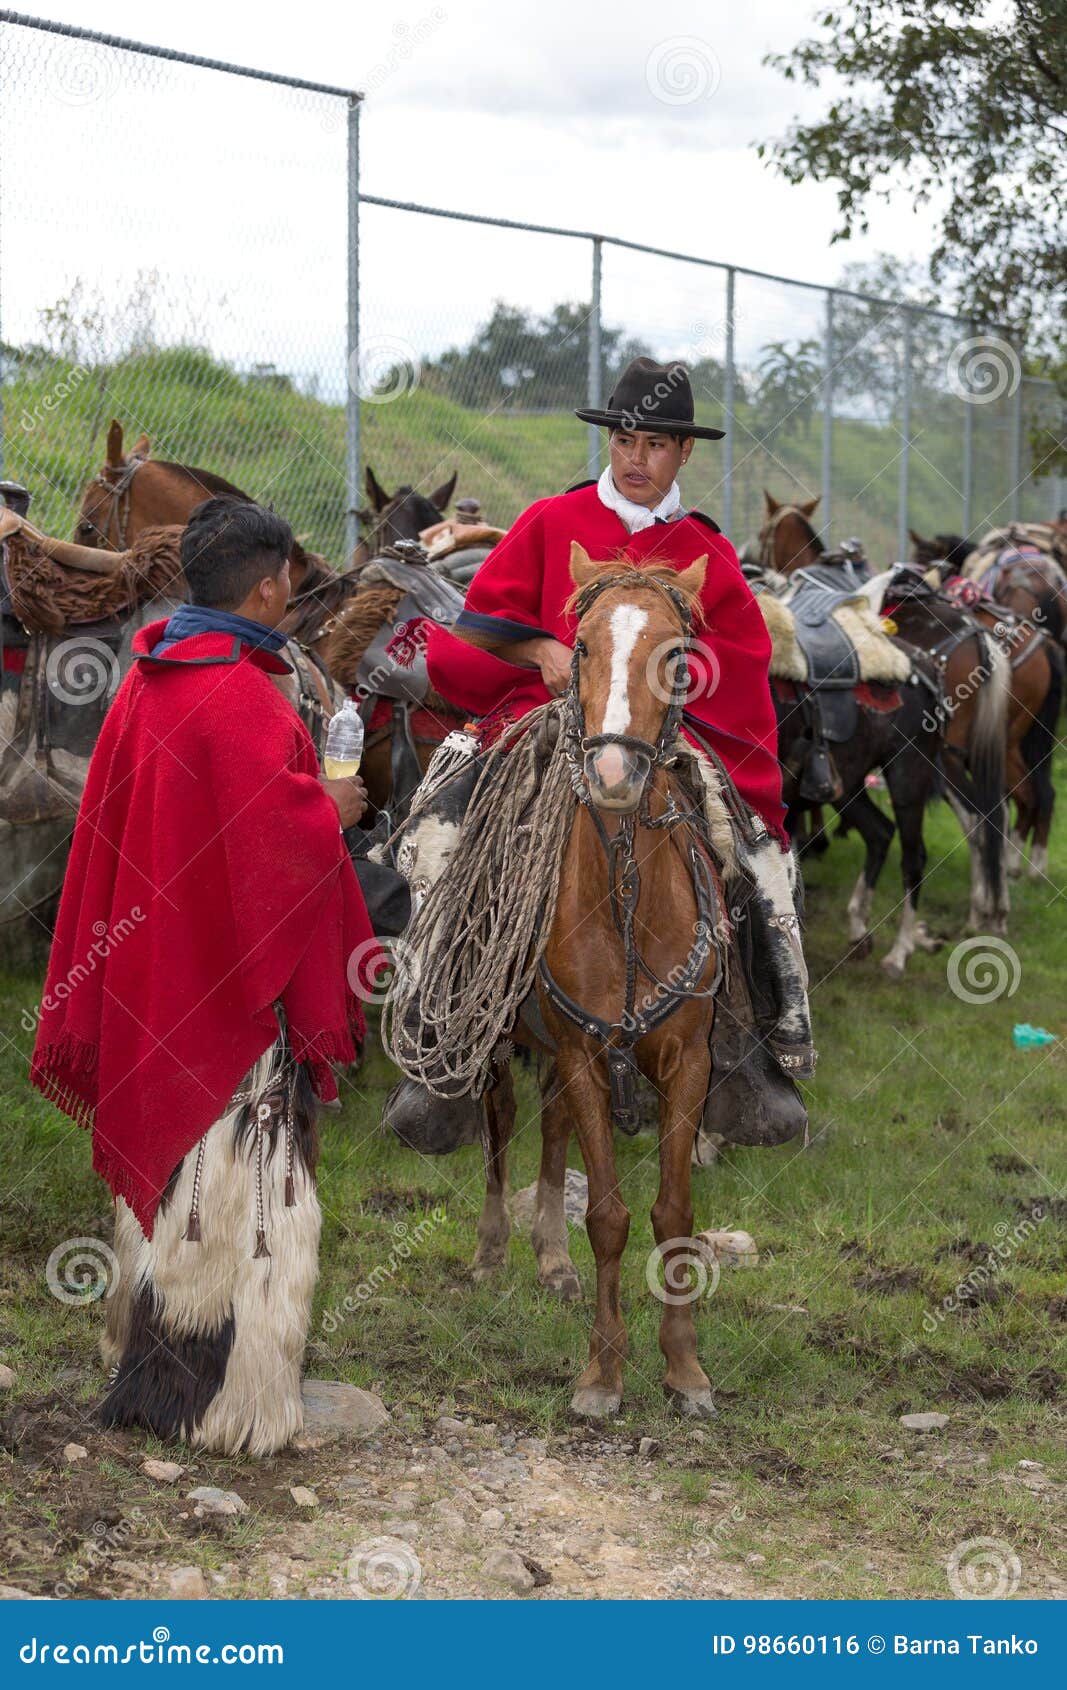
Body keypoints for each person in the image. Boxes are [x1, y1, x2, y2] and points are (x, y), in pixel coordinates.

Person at [31, 496, 380, 1456]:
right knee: (250, 1186)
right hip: (233, 1005)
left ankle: (151, 1377)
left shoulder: (149, 680)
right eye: (291, 586)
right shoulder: (241, 699)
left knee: (170, 1181)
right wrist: (333, 812)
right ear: (267, 588)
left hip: (155, 983)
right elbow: (271, 847)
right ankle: (233, 1404)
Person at [397, 357, 814, 1153]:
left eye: (655, 444)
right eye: (624, 438)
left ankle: (753, 1053)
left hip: (666, 735)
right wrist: (542, 651)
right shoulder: (551, 521)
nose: (635, 456)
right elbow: (475, 627)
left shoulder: (705, 550)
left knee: (752, 855)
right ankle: (443, 1046)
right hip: (543, 722)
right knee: (442, 837)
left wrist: (656, 684)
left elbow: (739, 660)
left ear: (682, 454)